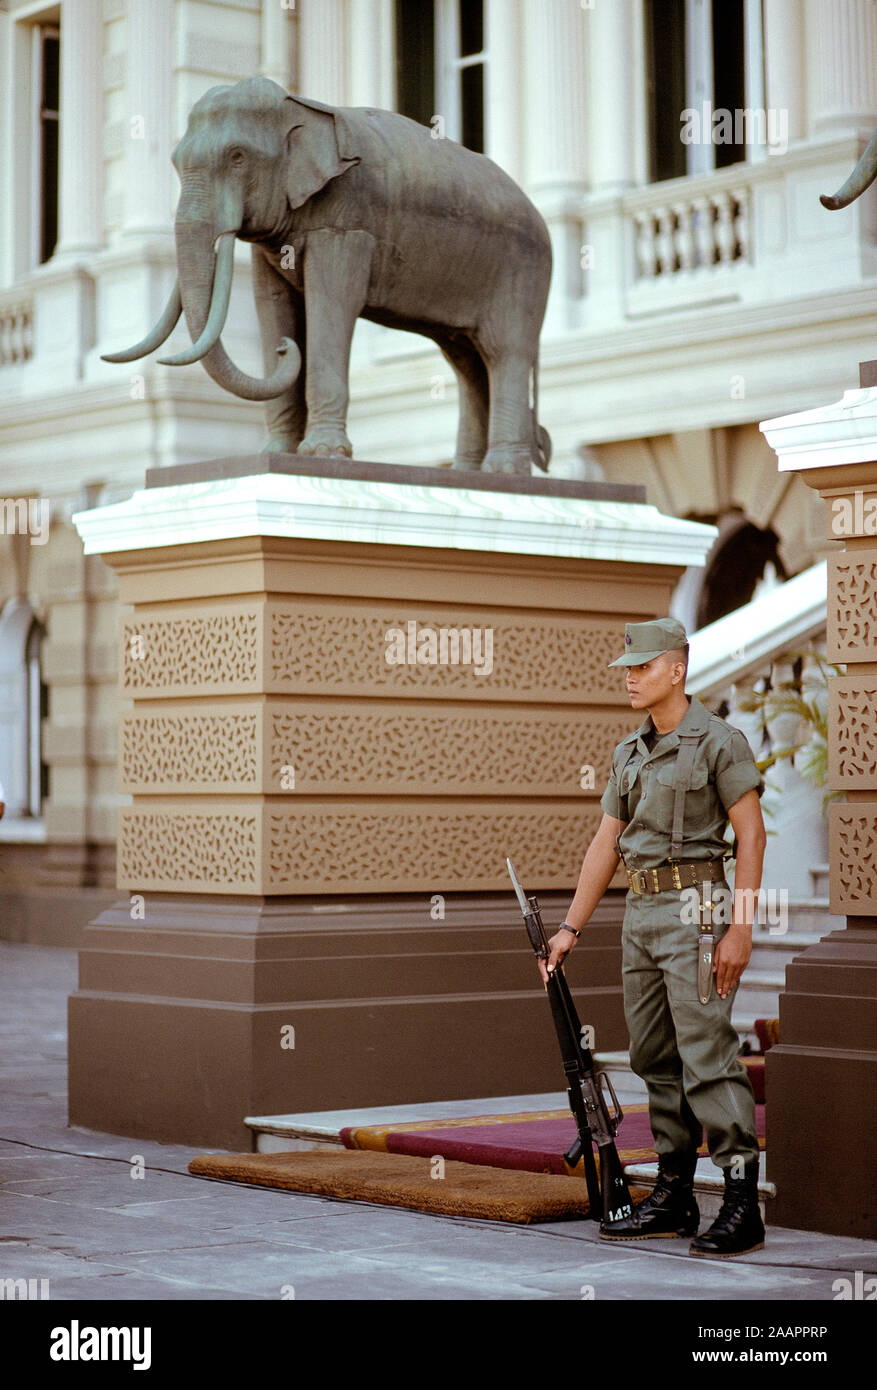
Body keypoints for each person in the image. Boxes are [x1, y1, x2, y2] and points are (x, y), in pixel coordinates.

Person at [538, 618, 767, 1258]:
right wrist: (568, 929)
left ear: (678, 669)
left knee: (706, 1052)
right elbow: (605, 843)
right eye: (628, 667)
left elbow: (751, 834)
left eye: (643, 665)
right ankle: (675, 1192)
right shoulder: (628, 752)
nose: (631, 677)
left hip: (698, 909)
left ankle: (742, 1201)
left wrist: (740, 926)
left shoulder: (720, 741)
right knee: (654, 1056)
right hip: (640, 915)